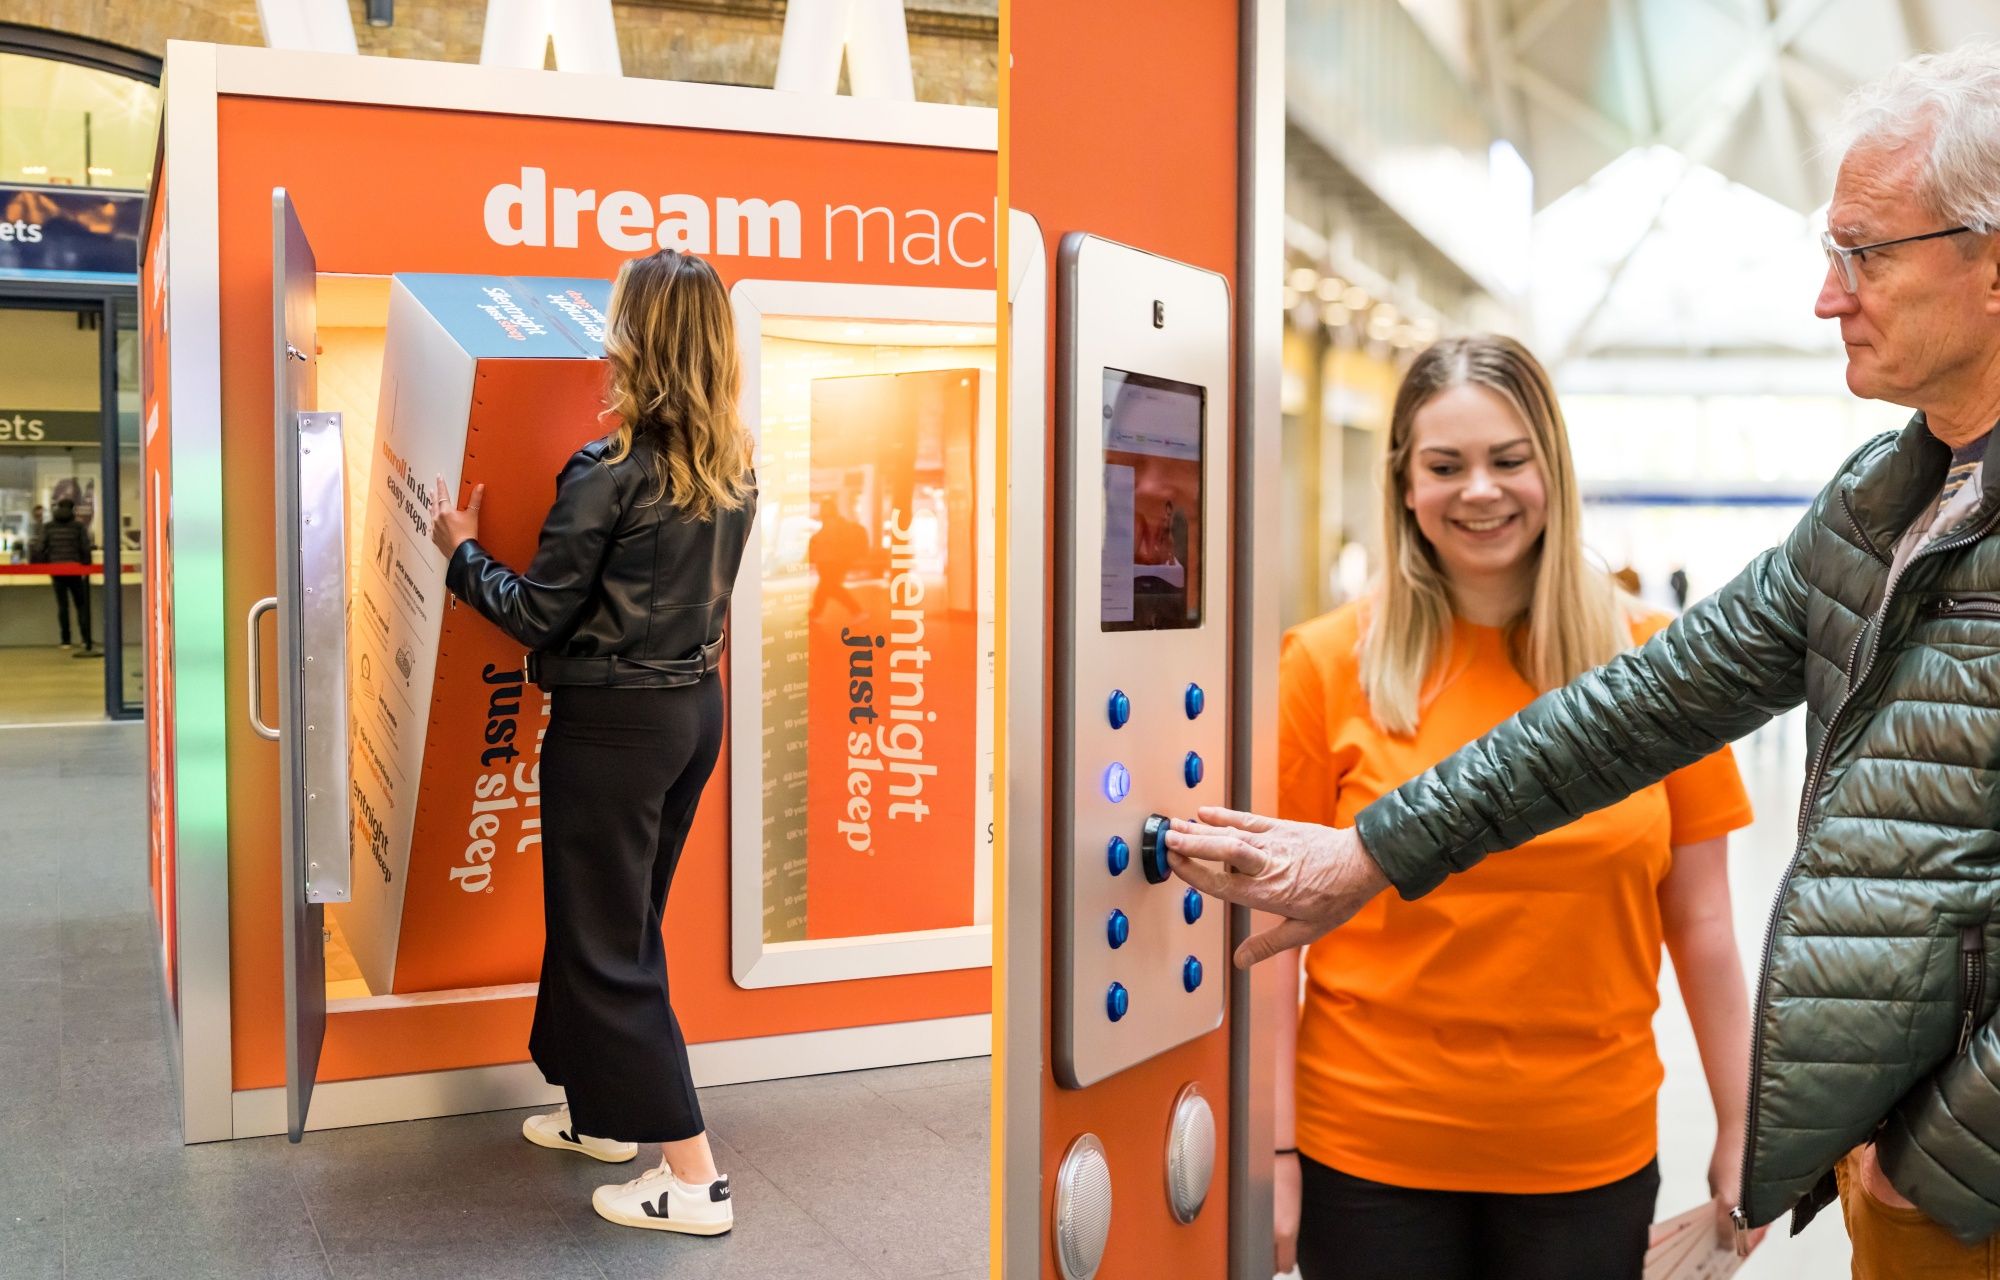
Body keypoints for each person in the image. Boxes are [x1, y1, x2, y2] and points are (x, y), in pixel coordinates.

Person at [1168, 42, 2000, 1277]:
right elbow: (1640, 706)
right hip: (1906, 1182)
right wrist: (1367, 853)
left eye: (1862, 252)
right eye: (1830, 254)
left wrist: (1940, 1149)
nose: (1827, 296)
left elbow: (1697, 903)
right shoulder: (1887, 499)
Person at [1267, 336, 1759, 1280]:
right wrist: (1275, 1150)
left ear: (1552, 467)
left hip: (1586, 1153)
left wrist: (1744, 1127)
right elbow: (1269, 937)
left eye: (1507, 459)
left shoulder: (1661, 669)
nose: (1479, 491)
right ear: (1405, 484)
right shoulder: (1324, 667)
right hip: (1367, 1153)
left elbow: (1702, 925)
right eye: (1445, 466)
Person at [429, 248, 756, 1237]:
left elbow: (537, 613)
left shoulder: (607, 470)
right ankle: (600, 1112)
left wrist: (457, 552)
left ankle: (693, 1177)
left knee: (610, 943)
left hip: (613, 725)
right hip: (691, 713)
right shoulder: (733, 464)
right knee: (613, 926)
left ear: (635, 337)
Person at [33, 497, 94, 652]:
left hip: (56, 569)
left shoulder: (48, 527)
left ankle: (65, 640)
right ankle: (85, 639)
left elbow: (40, 547)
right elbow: (85, 547)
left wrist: (46, 561)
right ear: (73, 509)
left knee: (63, 605)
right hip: (75, 569)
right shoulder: (78, 526)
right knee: (81, 605)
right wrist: (86, 566)